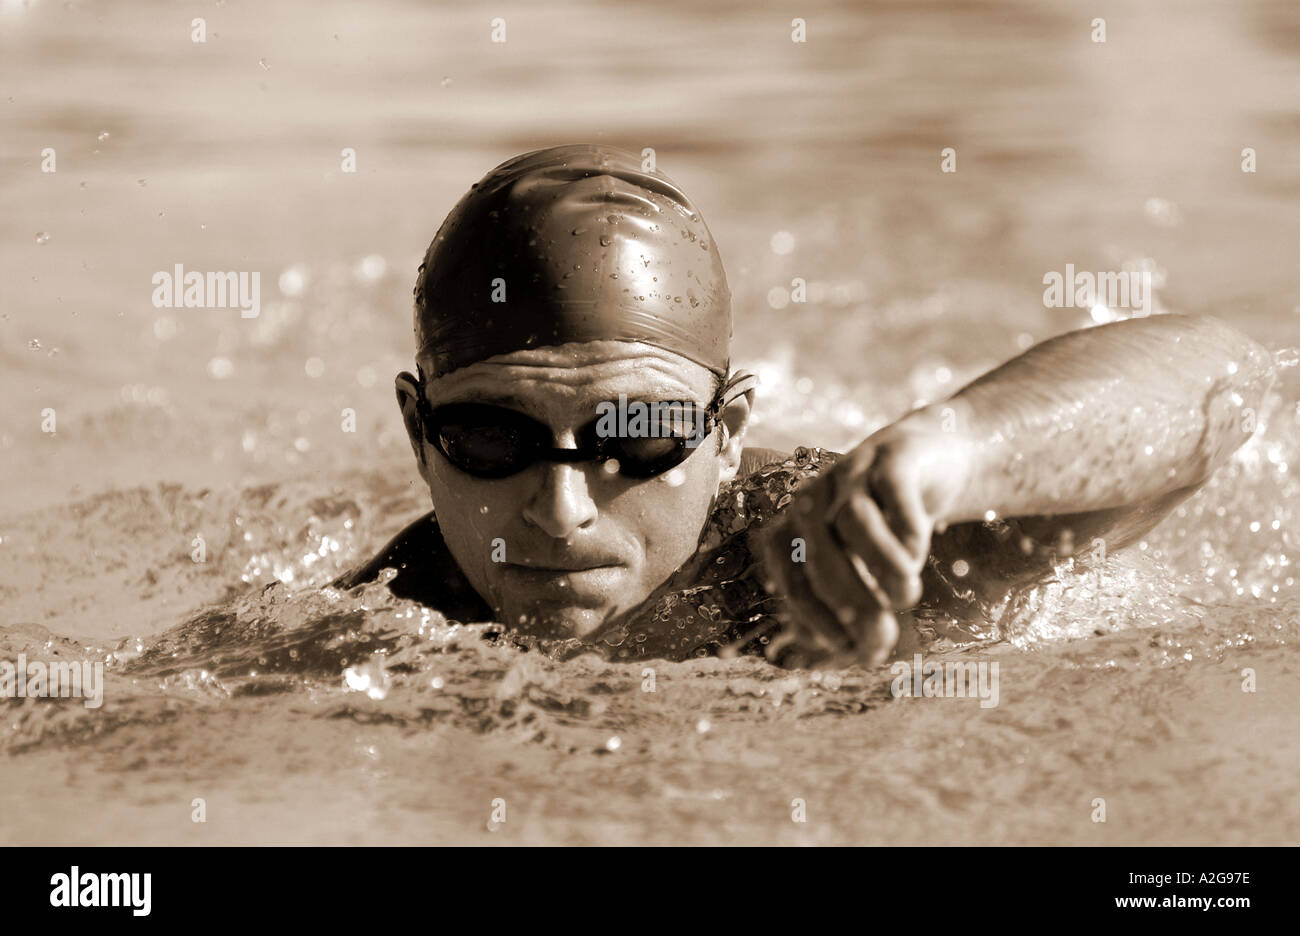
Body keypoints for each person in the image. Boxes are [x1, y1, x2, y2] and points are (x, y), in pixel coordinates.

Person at [335, 144, 1275, 668]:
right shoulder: (382, 621)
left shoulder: (810, 564)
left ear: (728, 435)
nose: (561, 507)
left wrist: (950, 454)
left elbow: (1224, 381)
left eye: (636, 434)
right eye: (492, 438)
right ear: (421, 438)